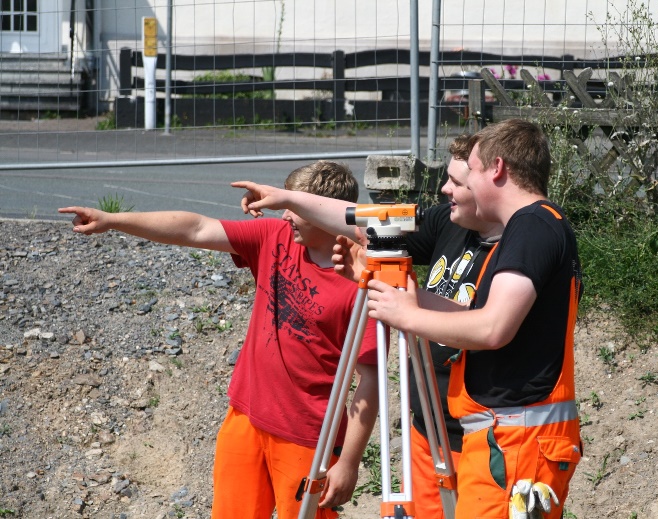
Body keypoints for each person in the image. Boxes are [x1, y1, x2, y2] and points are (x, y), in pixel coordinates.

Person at [58, 161, 380, 519]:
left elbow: (372, 378)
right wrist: (114, 220)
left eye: (295, 208)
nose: (286, 216)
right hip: (246, 416)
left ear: (325, 212)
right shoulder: (274, 237)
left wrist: (348, 463)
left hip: (307, 435)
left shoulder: (361, 277)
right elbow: (195, 228)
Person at [234, 135, 502, 518]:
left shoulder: (521, 242)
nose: (445, 190)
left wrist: (402, 306)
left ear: (490, 179)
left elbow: (490, 328)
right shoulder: (448, 222)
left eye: (458, 183)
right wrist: (292, 201)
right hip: (429, 426)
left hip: (480, 431)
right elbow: (367, 221)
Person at [351, 119, 583, 519]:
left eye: (470, 172)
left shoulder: (533, 226)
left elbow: (492, 328)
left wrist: (408, 315)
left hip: (517, 443)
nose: (460, 185)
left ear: (496, 168)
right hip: (502, 436)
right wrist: (404, 297)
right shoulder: (524, 229)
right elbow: (475, 316)